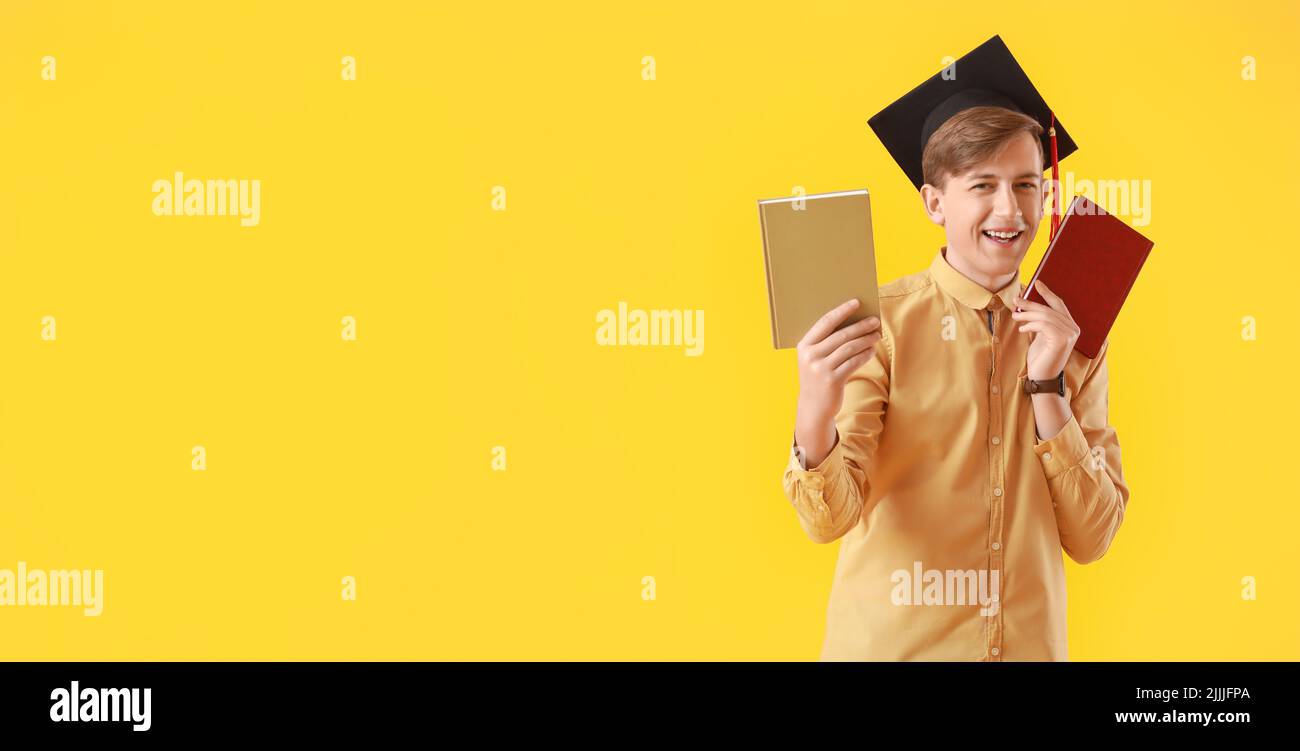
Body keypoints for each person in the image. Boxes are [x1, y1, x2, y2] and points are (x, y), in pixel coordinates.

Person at [782, 36, 1129, 661]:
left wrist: (1049, 389)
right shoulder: (878, 326)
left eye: (1027, 184)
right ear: (934, 201)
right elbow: (827, 520)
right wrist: (815, 409)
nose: (1009, 208)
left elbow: (1094, 538)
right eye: (982, 185)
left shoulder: (1076, 337)